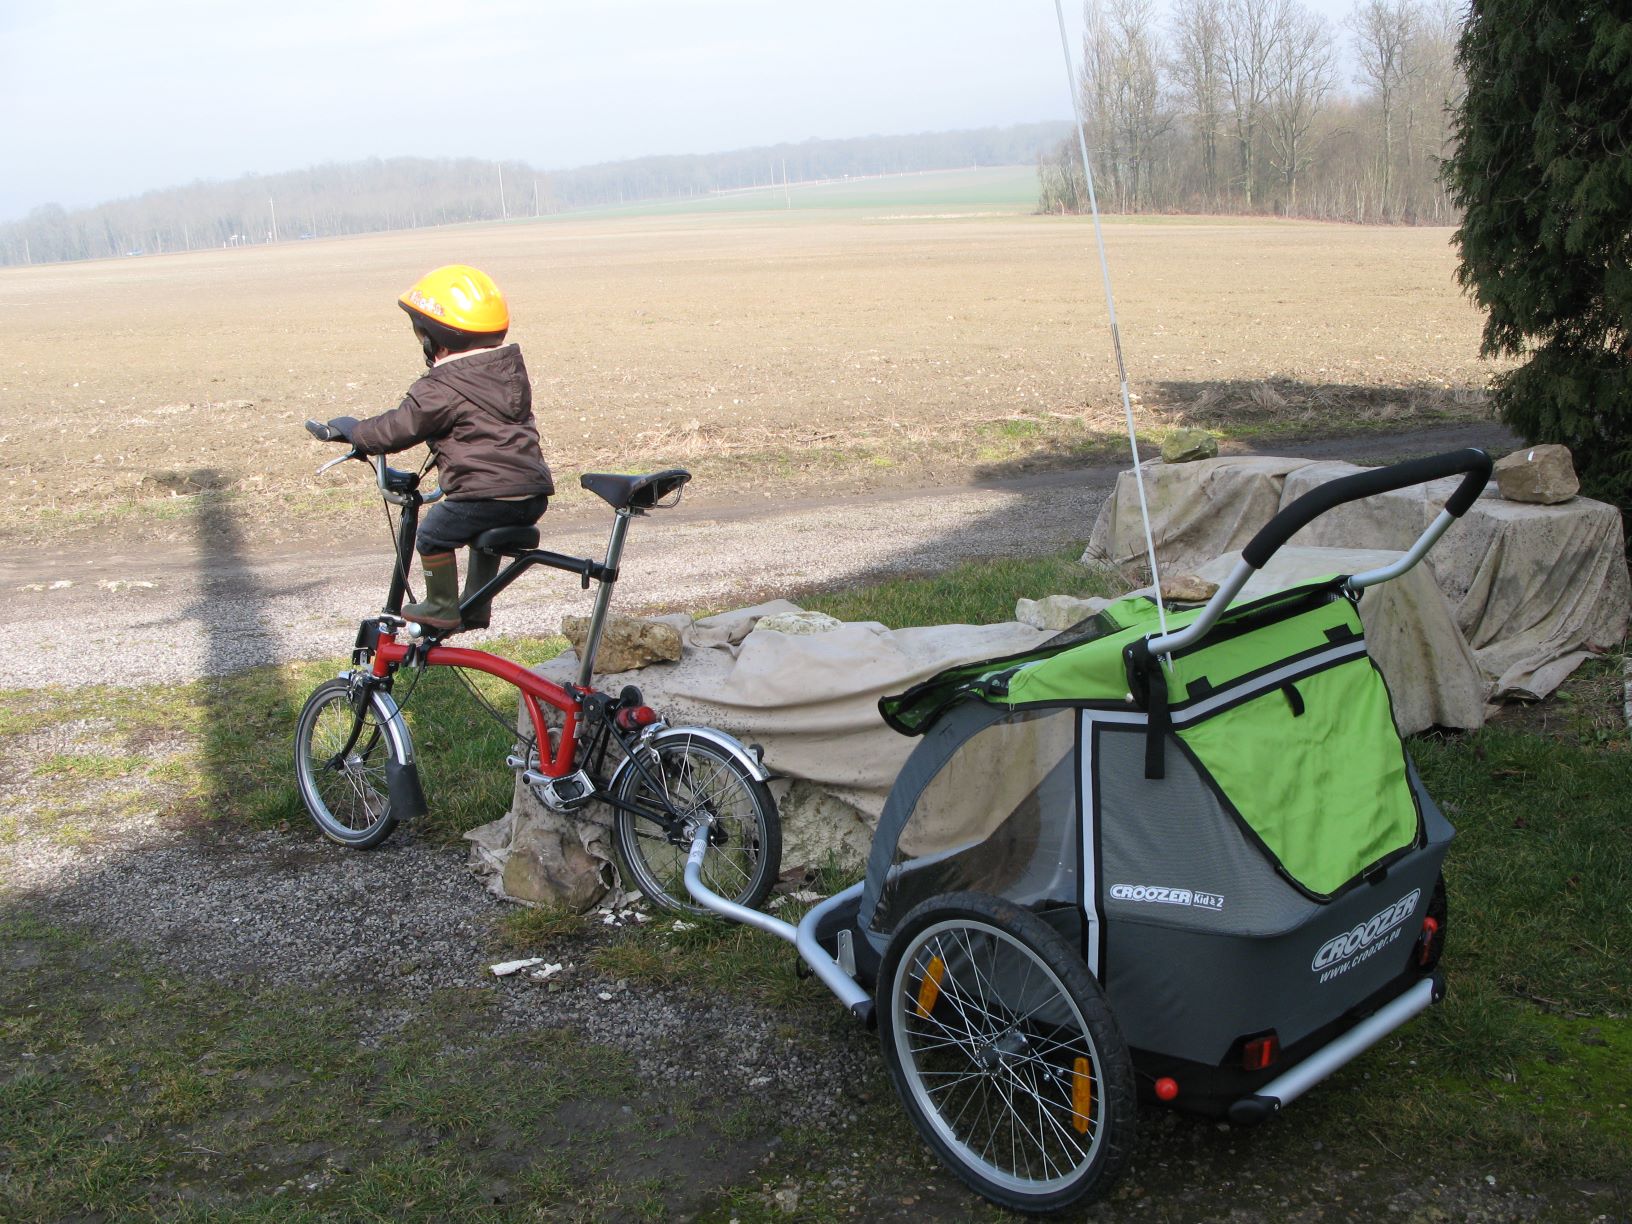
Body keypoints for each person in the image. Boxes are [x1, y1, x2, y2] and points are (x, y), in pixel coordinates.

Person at [327, 265, 553, 632]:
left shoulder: (443, 386)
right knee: (484, 540)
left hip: (485, 496)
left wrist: (355, 433)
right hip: (531, 493)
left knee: (434, 533)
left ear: (437, 338)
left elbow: (399, 427)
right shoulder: (507, 374)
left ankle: (442, 607)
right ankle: (476, 606)